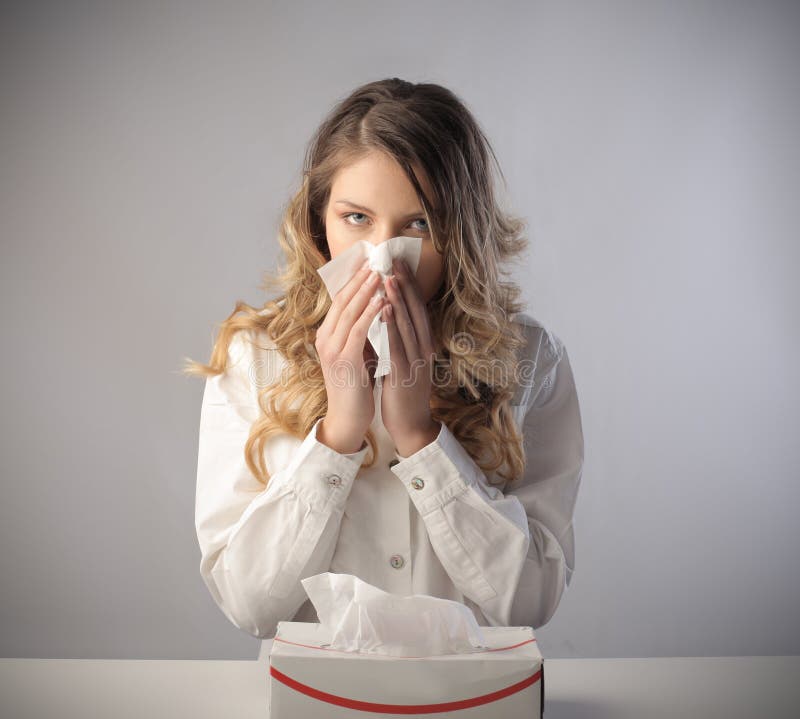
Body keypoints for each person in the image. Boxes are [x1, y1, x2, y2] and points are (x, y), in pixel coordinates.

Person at [183, 78, 584, 650]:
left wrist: (421, 437)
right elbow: (249, 606)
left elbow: (533, 599)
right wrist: (339, 435)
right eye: (356, 219)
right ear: (319, 221)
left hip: (468, 700)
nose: (383, 257)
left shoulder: (530, 362)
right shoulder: (256, 358)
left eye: (419, 225)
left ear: (461, 233)